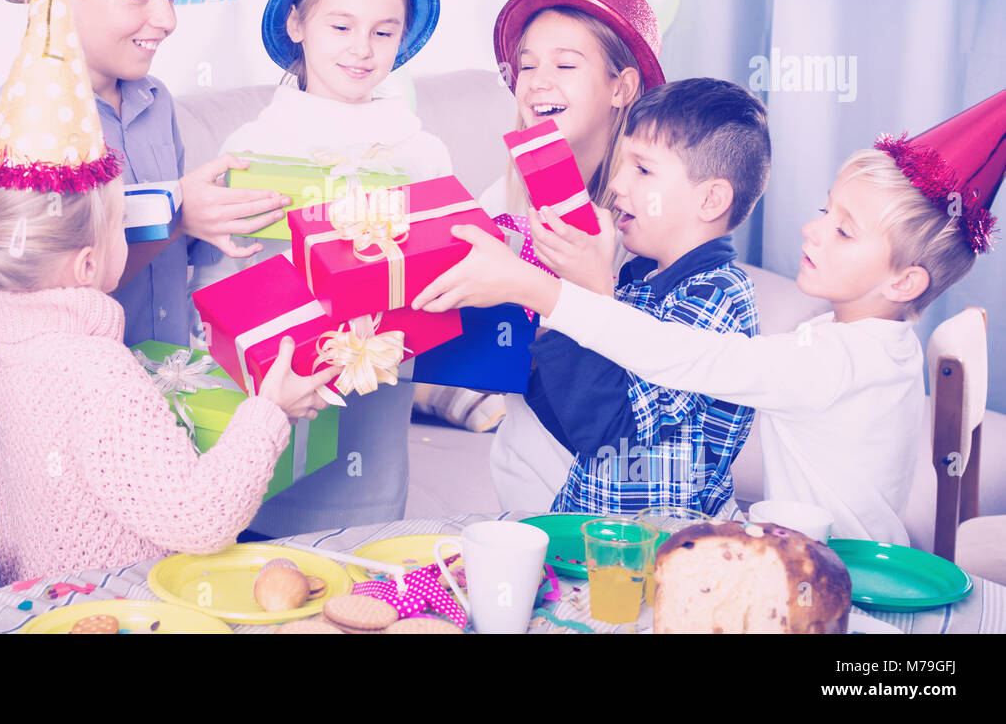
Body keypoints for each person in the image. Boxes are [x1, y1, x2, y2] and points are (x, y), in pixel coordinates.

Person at [0, 0, 338, 581]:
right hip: (115, 433)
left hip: (161, 418)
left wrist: (220, 227)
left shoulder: (156, 101)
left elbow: (168, 268)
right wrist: (172, 211)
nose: (165, 17)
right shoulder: (16, 128)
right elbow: (36, 270)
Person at [415, 88, 1006, 544]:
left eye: (843, 230)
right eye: (826, 210)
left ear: (904, 280)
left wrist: (556, 292)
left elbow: (686, 360)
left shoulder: (833, 361)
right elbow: (592, 418)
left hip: (827, 574)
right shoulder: (862, 340)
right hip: (760, 545)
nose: (812, 228)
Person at [192, 0, 449, 536]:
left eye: (383, 32)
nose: (361, 49)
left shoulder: (421, 152)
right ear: (297, 23)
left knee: (361, 560)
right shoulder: (252, 147)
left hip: (377, 405)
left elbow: (445, 275)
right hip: (277, 398)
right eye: (341, 25)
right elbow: (224, 284)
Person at [418, 78, 772, 518]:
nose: (618, 183)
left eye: (642, 170)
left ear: (710, 199)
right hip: (589, 530)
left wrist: (579, 294)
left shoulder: (716, 297)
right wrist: (521, 346)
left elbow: (616, 435)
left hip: (659, 550)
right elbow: (579, 422)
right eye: (623, 164)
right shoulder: (636, 282)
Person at [469, 0, 666, 510]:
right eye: (527, 65)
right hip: (523, 486)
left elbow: (653, 386)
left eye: (565, 64)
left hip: (623, 499)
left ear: (621, 89)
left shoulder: (645, 221)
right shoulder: (502, 202)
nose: (536, 81)